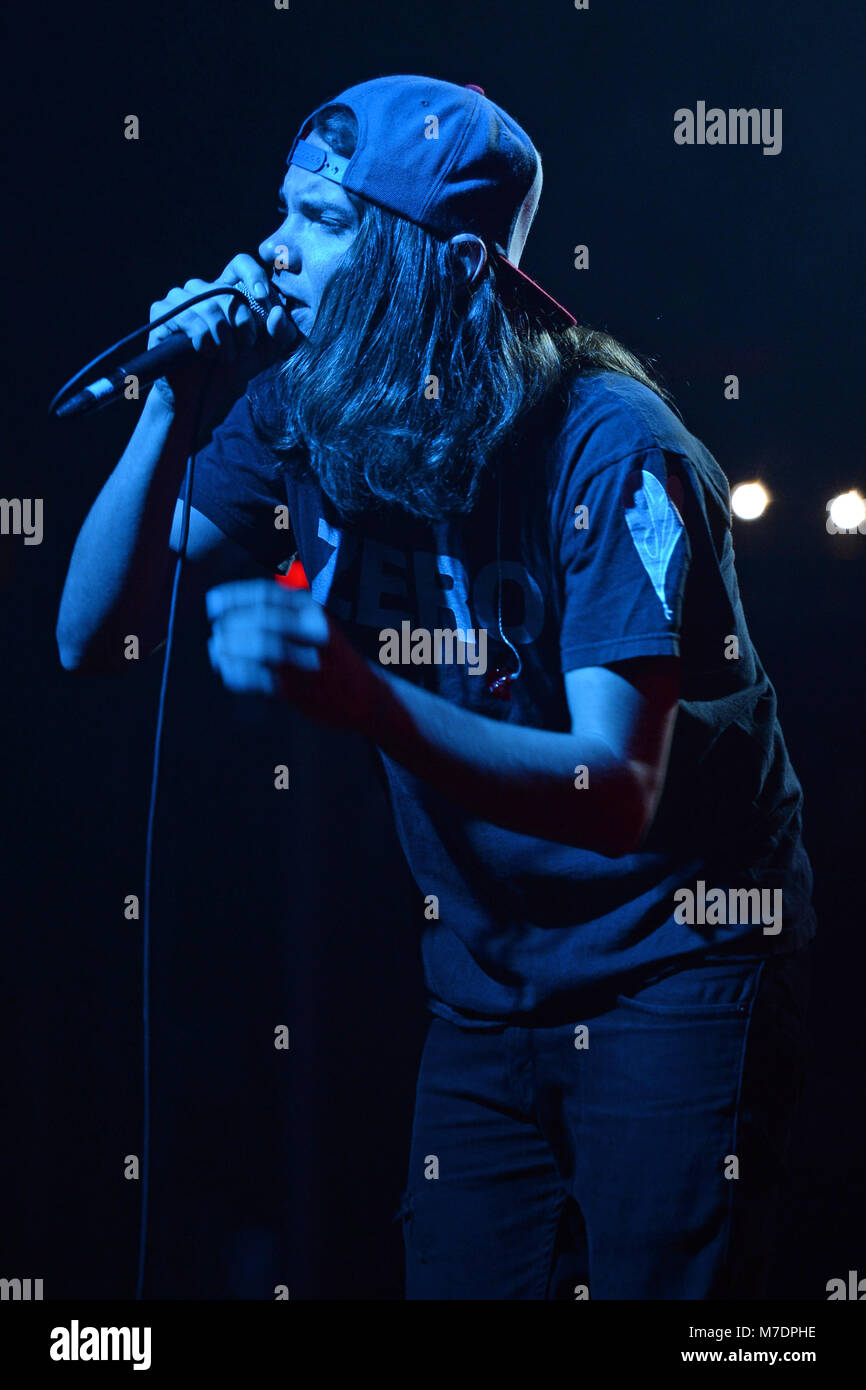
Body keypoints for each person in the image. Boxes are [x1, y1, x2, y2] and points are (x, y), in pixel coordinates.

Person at [56, 74, 817, 1300]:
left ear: (448, 264)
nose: (271, 246)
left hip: (678, 958)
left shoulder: (617, 448)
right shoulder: (306, 409)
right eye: (282, 210)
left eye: (324, 219)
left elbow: (616, 787)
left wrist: (366, 699)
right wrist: (166, 405)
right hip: (486, 981)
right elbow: (89, 635)